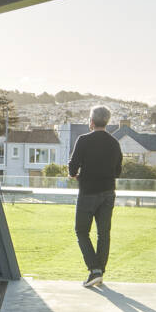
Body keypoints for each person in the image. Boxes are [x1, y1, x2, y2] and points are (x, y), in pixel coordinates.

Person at [67, 105, 123, 288]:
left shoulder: (83, 140)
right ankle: (99, 271)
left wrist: (75, 174)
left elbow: (72, 167)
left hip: (88, 193)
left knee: (81, 231)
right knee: (103, 234)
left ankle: (95, 270)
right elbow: (118, 172)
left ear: (91, 121)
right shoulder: (115, 143)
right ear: (107, 121)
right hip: (108, 193)